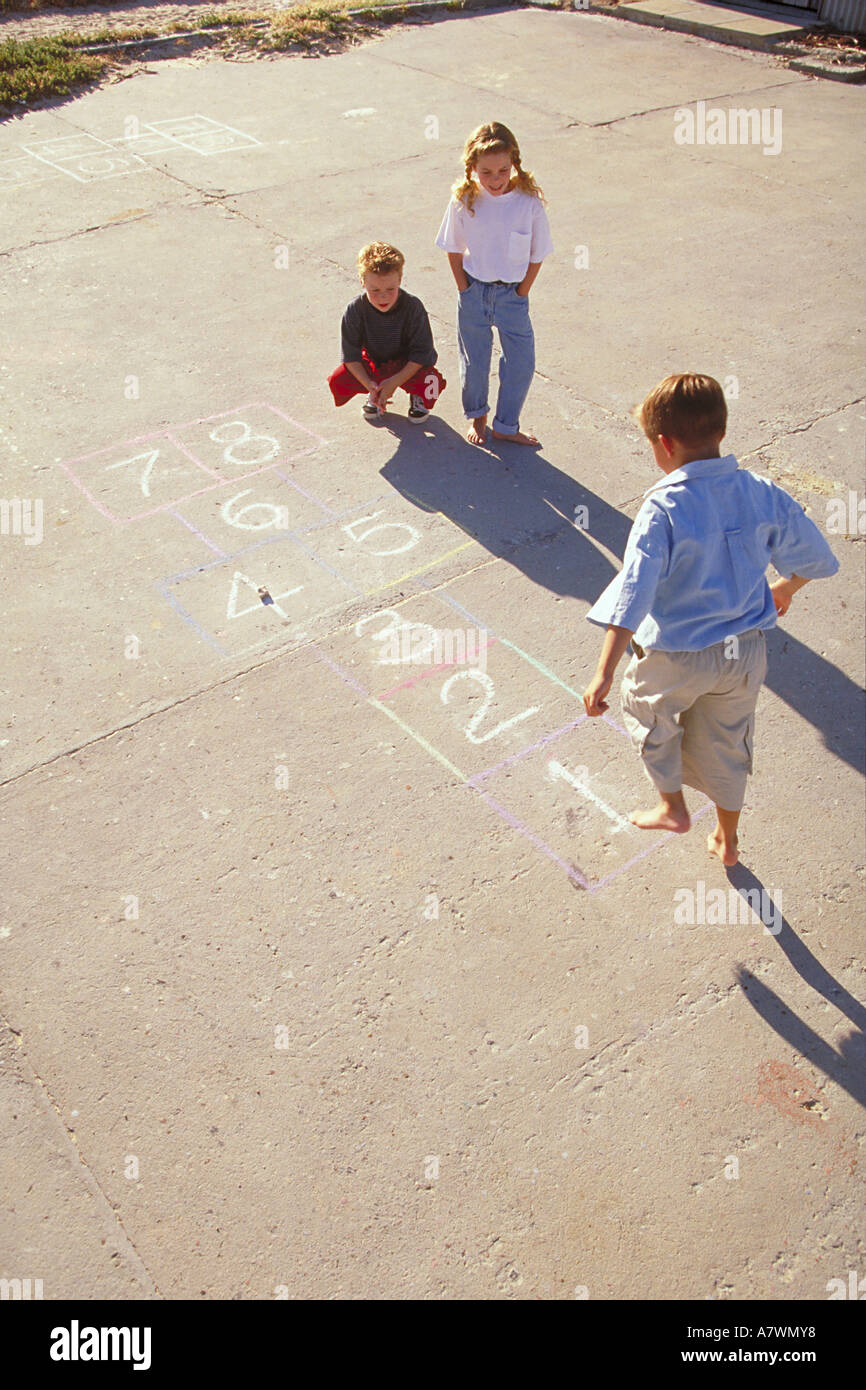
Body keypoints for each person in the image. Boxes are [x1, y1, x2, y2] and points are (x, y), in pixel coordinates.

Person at [582, 373, 840, 867]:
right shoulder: (761, 491)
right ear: (721, 432)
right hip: (743, 652)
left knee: (648, 714)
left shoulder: (663, 507)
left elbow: (633, 594)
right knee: (728, 743)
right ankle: (727, 840)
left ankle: (672, 807)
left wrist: (604, 672)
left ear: (664, 444)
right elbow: (817, 558)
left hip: (675, 654)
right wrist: (784, 587)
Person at [435, 121, 552, 447]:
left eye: (503, 169)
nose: (496, 179)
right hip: (474, 290)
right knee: (474, 361)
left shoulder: (527, 202)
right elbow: (453, 248)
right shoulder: (464, 200)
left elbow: (538, 253)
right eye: (486, 172)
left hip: (512, 295)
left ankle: (506, 424)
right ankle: (478, 416)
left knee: (521, 362)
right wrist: (464, 289)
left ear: (514, 161)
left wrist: (522, 291)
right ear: (472, 168)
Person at [328, 241, 445, 423]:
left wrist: (394, 382)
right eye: (375, 290)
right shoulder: (355, 310)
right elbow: (350, 356)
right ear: (362, 282)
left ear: (399, 280)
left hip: (407, 364)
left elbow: (422, 354)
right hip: (374, 361)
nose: (383, 296)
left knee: (433, 382)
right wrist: (370, 385)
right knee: (338, 379)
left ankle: (417, 396)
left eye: (390, 289)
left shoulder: (413, 307)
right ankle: (374, 394)